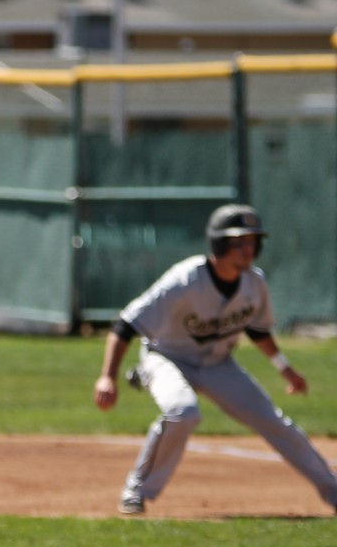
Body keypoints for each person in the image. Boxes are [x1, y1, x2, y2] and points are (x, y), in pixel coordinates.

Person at [93, 203, 337, 516]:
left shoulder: (254, 283)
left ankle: (333, 491)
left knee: (275, 423)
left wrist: (285, 369)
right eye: (239, 242)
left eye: (252, 241)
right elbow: (125, 325)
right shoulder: (185, 280)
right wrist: (107, 376)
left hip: (219, 364)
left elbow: (258, 330)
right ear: (220, 244)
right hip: (167, 356)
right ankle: (136, 491)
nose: (248, 249)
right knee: (183, 411)